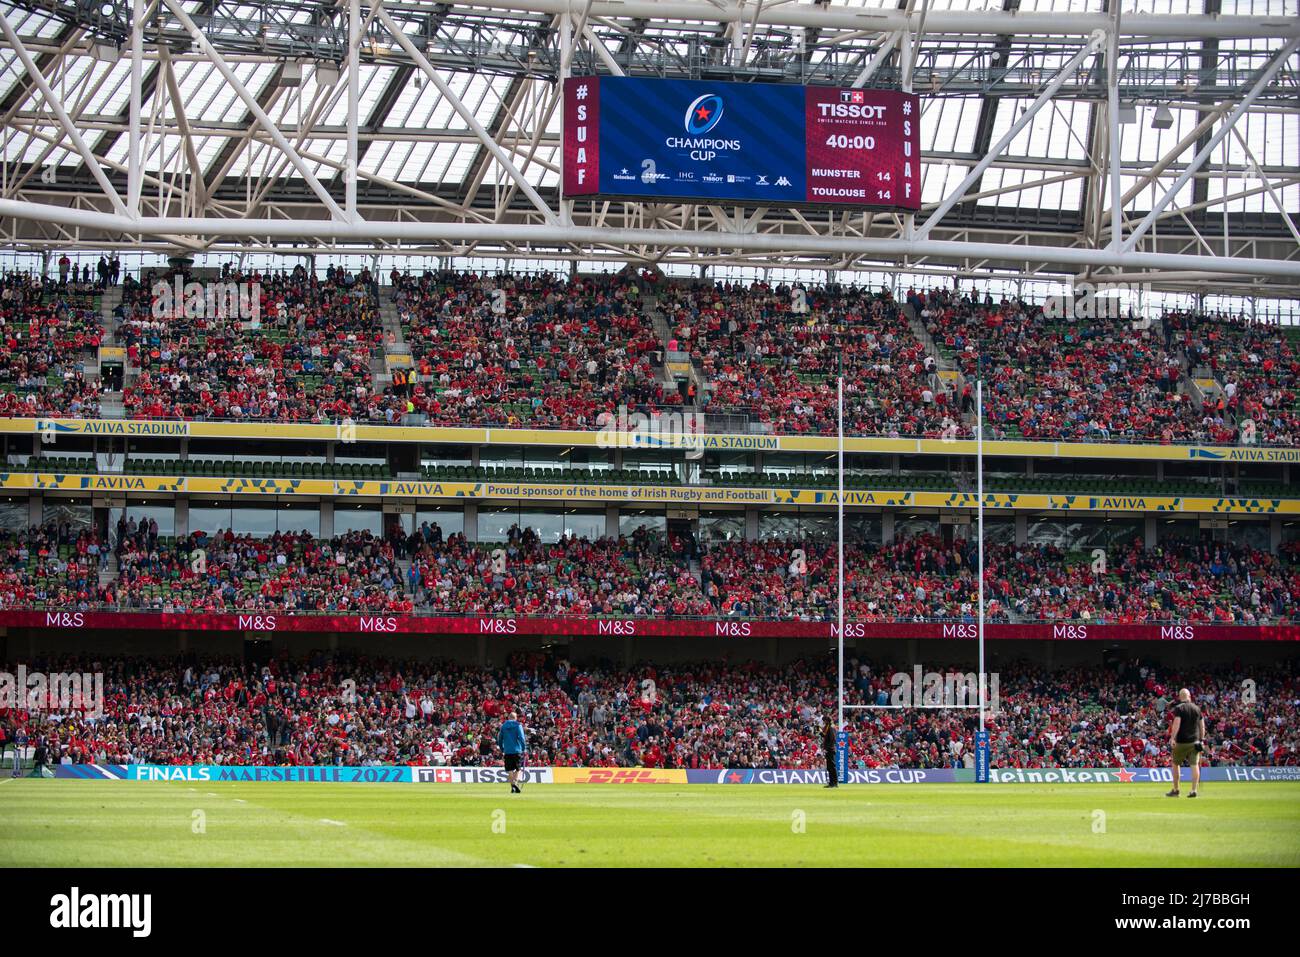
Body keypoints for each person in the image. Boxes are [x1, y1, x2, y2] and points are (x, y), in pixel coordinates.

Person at [1166, 688, 1206, 798]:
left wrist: (1172, 738)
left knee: (1175, 764)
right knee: (1194, 765)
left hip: (1181, 741)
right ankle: (1193, 790)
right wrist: (1202, 740)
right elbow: (1202, 726)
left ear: (1180, 697)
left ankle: (1176, 790)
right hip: (1194, 742)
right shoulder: (1197, 708)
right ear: (1189, 696)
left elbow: (1176, 724)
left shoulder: (1179, 708)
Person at [498, 711, 527, 794]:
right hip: (517, 750)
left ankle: (513, 787)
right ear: (515, 718)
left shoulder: (503, 726)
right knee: (518, 769)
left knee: (510, 770)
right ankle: (515, 783)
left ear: (508, 718)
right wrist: (524, 748)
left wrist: (502, 748)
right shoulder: (518, 725)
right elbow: (521, 738)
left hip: (507, 750)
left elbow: (500, 739)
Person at [822, 717, 839, 789]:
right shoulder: (829, 727)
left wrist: (826, 748)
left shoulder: (831, 728)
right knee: (830, 767)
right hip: (830, 749)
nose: (823, 722)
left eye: (824, 721)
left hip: (830, 749)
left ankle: (834, 782)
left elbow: (832, 739)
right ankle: (831, 782)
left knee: (832, 766)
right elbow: (826, 737)